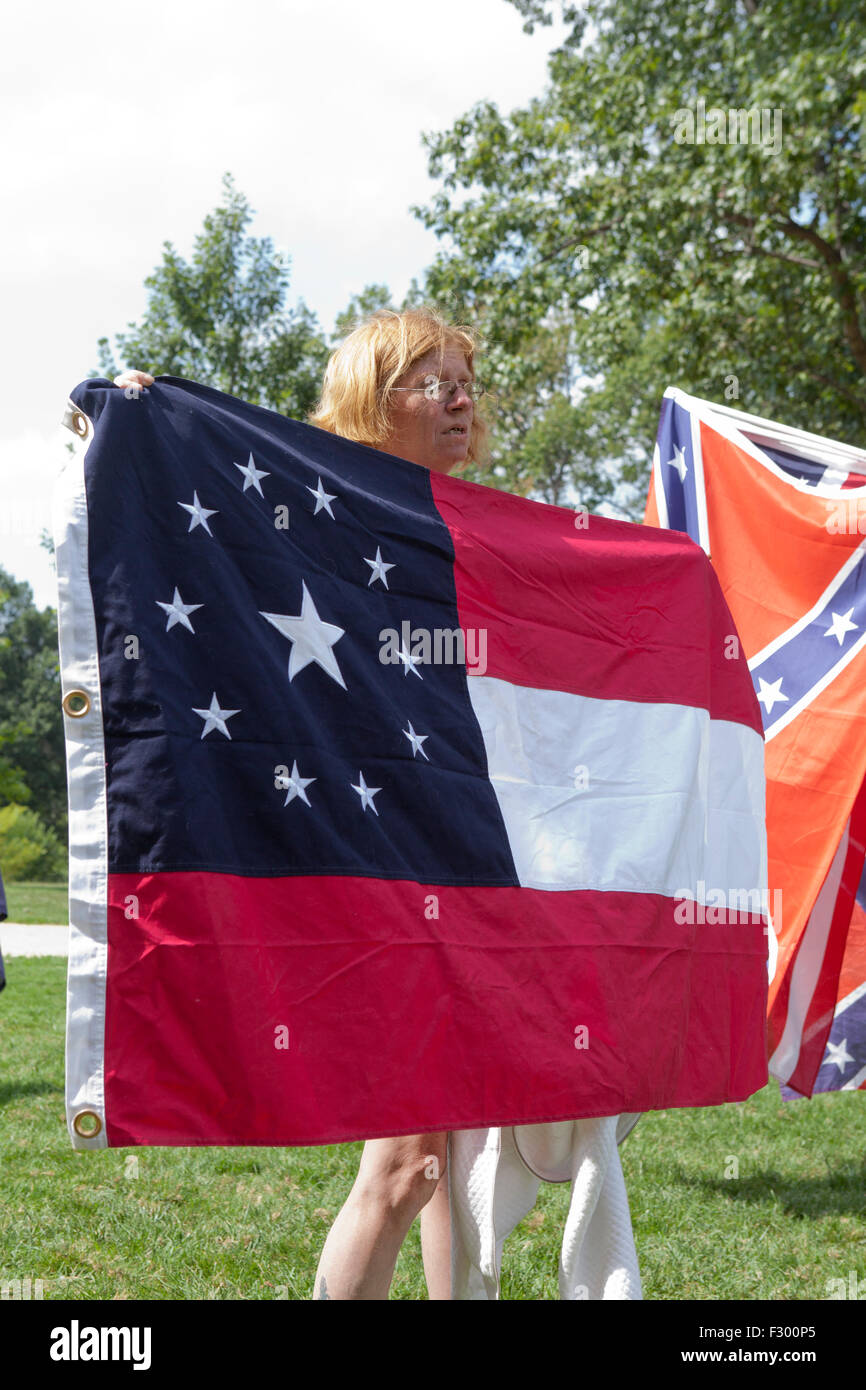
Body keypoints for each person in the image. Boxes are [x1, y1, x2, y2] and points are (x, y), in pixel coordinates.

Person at [113, 306, 488, 1301]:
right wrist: (133, 427)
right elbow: (190, 526)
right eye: (430, 379)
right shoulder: (312, 507)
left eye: (465, 378)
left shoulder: (478, 532)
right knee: (407, 1160)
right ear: (374, 394)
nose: (458, 397)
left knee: (447, 1148)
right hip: (371, 870)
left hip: (461, 863)